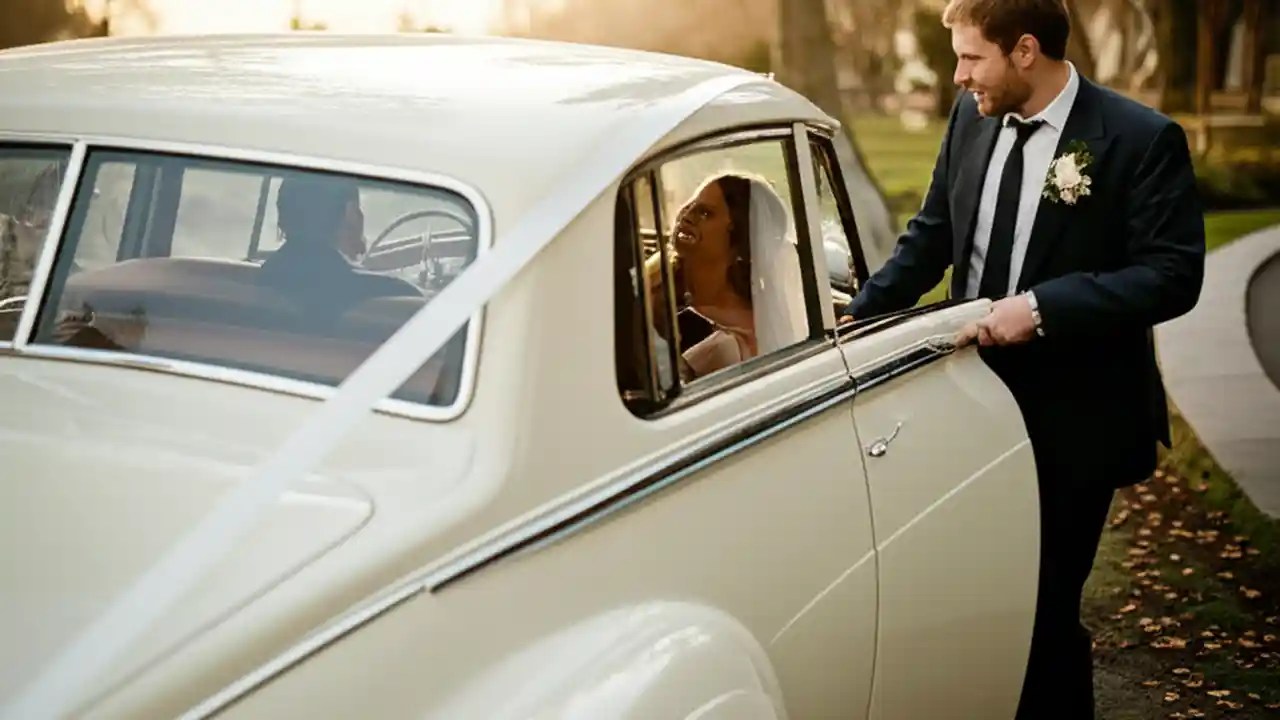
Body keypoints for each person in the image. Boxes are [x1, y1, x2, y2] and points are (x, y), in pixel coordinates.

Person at [839, 1, 1205, 717]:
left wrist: (1042, 309)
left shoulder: (1138, 138)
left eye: (971, 57)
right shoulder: (971, 119)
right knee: (973, 600)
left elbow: (1172, 274)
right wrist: (857, 319)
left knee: (1040, 609)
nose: (957, 76)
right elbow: (932, 236)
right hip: (962, 403)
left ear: (1026, 50)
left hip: (1075, 420)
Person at [650, 173, 807, 378]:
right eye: (690, 206)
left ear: (738, 241)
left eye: (705, 213)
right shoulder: (656, 289)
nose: (687, 216)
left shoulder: (731, 341)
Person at [260, 174, 421, 328]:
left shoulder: (257, 284)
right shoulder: (398, 296)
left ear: (282, 215)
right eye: (358, 208)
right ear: (350, 213)